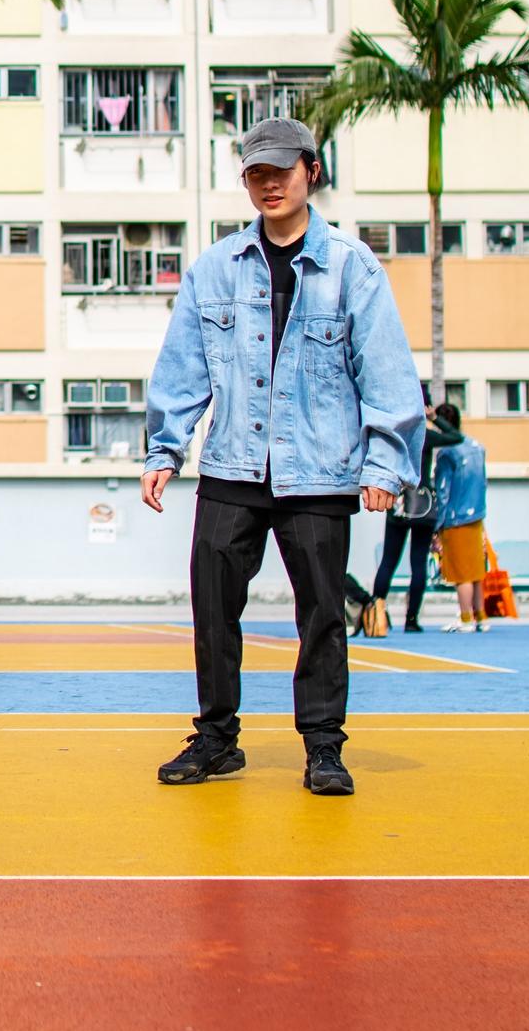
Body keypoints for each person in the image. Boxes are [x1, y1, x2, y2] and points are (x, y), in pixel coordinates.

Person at [141, 117, 424, 798]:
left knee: (323, 612)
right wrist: (165, 448)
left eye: (282, 171)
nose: (270, 184)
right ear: (245, 181)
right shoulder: (215, 269)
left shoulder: (353, 267)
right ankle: (216, 739)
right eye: (256, 174)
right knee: (213, 608)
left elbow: (385, 371)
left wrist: (385, 466)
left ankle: (323, 747)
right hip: (233, 469)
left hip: (320, 471)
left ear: (311, 172)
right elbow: (182, 370)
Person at [370, 402, 463, 633]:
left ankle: (376, 614)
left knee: (389, 560)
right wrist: (434, 418)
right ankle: (411, 619)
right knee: (418, 562)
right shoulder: (424, 435)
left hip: (398, 501)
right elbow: (456, 437)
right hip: (423, 502)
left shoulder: (394, 433)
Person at [432, 403, 490, 633]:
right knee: (476, 571)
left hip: (455, 516)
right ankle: (481, 616)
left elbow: (443, 489)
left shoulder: (448, 452)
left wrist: (438, 524)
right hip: (476, 513)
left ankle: (465, 617)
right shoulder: (476, 446)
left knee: (461, 573)